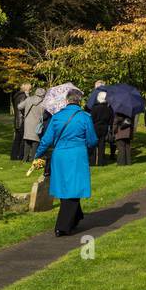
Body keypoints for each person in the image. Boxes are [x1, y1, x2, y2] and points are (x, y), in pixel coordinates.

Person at [33, 89, 97, 236]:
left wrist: (38, 154)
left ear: (67, 100)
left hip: (60, 155)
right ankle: (63, 226)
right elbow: (92, 140)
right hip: (77, 155)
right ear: (79, 101)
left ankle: (75, 217)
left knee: (64, 187)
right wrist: (88, 148)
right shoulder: (85, 117)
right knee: (73, 188)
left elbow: (46, 139)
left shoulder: (57, 117)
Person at [21, 87, 46, 162]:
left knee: (27, 141)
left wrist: (24, 113)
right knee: (35, 141)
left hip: (27, 122)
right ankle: (32, 159)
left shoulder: (28, 99)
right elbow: (43, 115)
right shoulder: (43, 103)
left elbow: (19, 107)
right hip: (36, 123)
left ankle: (24, 159)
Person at [90, 90, 112, 165]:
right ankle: (100, 161)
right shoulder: (108, 109)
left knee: (94, 144)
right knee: (102, 144)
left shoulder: (95, 108)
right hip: (104, 127)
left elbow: (92, 119)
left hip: (95, 127)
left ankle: (93, 161)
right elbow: (110, 120)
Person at [10, 83, 31, 160]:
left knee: (17, 139)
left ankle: (14, 155)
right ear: (26, 89)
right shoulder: (23, 96)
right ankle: (21, 156)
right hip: (22, 120)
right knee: (22, 139)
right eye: (29, 88)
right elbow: (22, 108)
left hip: (17, 120)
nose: (30, 90)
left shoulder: (17, 95)